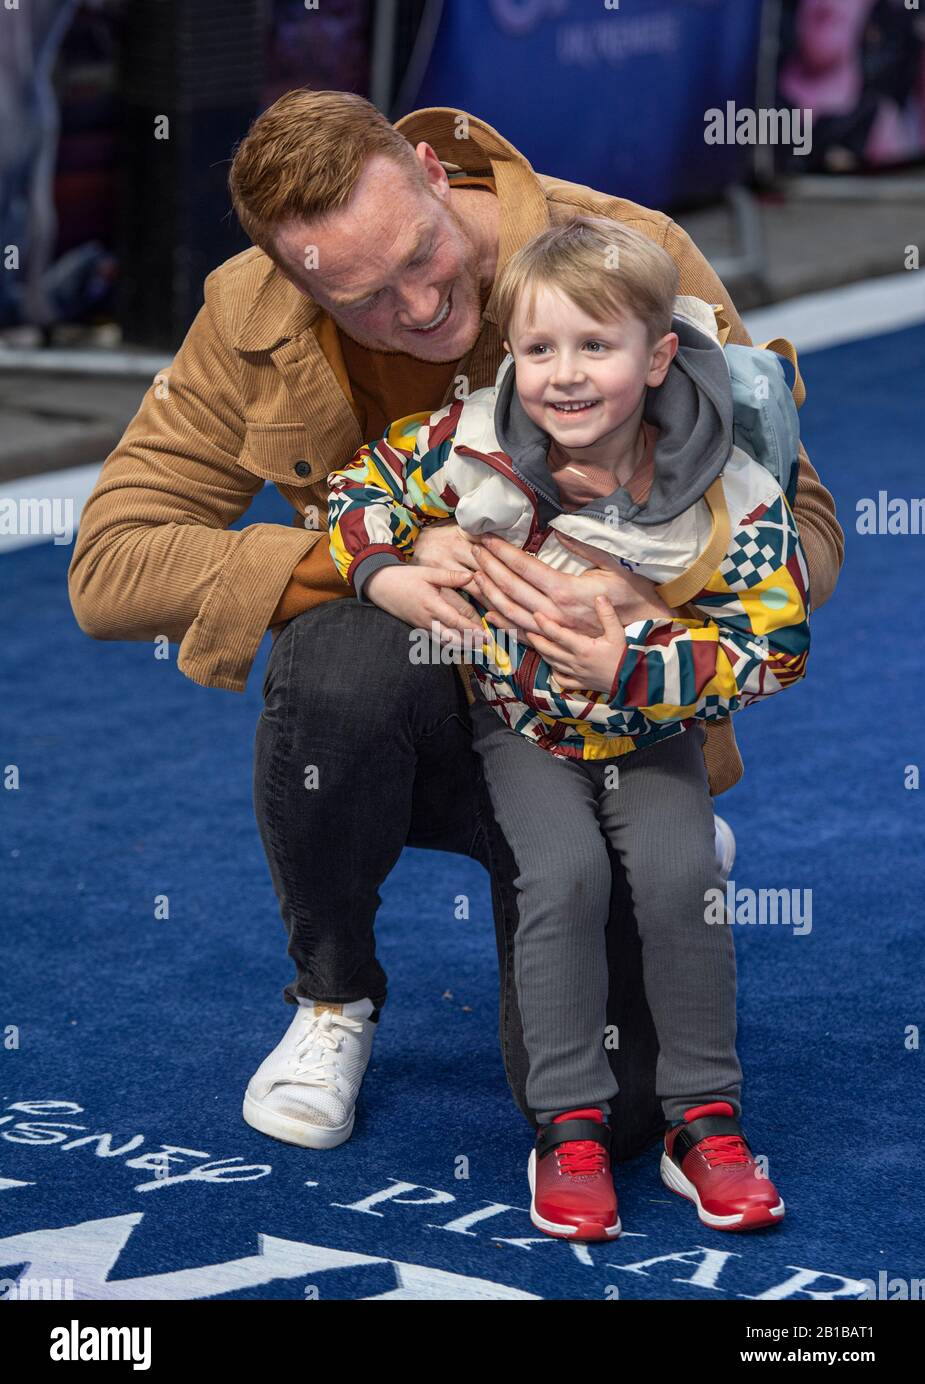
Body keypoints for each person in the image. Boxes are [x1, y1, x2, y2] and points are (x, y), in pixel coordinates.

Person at [66, 90, 844, 1163]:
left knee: (621, 1115)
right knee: (335, 661)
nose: (423, 308)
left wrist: (652, 604)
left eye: (424, 254)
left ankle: (648, 838)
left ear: (436, 176)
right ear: (294, 284)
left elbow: (800, 515)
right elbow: (107, 566)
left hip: (611, 706)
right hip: (422, 686)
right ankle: (333, 995)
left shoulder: (625, 252)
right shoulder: (249, 313)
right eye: (366, 298)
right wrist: (363, 561)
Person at [327, 217, 811, 1239]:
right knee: (563, 878)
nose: (564, 374)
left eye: (597, 346)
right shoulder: (469, 442)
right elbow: (359, 488)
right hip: (519, 728)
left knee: (684, 878)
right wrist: (394, 568)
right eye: (539, 348)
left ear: (658, 355)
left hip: (650, 729)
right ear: (511, 356)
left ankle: (705, 1123)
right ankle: (569, 1129)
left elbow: (776, 645)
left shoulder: (729, 488)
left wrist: (634, 664)